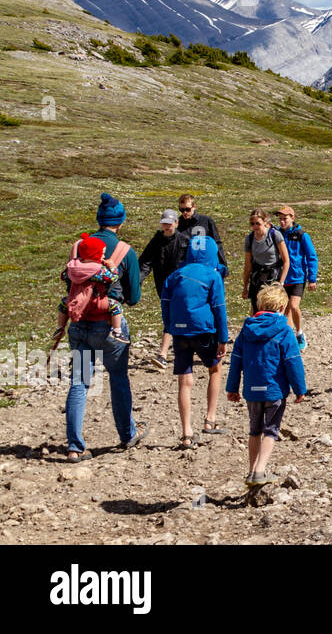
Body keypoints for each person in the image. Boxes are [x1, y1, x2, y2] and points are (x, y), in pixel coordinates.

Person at [57, 192, 147, 461]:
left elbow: (70, 282)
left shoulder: (78, 246)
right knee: (118, 378)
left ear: (99, 220)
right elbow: (133, 297)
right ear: (120, 222)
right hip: (108, 325)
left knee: (80, 382)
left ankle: (75, 446)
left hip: (79, 324)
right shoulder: (124, 251)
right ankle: (127, 434)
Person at [225, 283, 306, 487]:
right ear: (282, 308)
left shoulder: (246, 330)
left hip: (252, 391)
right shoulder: (285, 331)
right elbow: (292, 361)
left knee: (254, 430)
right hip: (274, 391)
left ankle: (252, 470)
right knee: (270, 431)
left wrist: (232, 388)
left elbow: (236, 360)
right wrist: (300, 389)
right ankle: (260, 471)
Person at [161, 234, 229, 448]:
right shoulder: (212, 274)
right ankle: (210, 419)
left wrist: (170, 326)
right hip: (203, 329)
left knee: (185, 381)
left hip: (179, 332)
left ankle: (186, 433)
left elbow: (165, 303)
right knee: (215, 369)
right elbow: (219, 308)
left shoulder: (175, 275)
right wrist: (223, 338)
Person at [140, 208, 189, 367]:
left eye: (170, 223)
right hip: (162, 287)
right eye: (164, 224)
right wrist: (138, 281)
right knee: (176, 318)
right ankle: (186, 348)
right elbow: (145, 262)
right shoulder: (156, 241)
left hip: (181, 287)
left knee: (173, 317)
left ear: (176, 223)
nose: (167, 227)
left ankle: (163, 354)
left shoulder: (184, 241)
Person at [275, 205, 318, 352]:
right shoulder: (276, 234)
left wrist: (312, 279)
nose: (282, 222)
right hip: (282, 278)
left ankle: (300, 334)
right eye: (280, 219)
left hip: (298, 277)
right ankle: (288, 339)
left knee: (293, 306)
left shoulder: (301, 235)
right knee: (284, 311)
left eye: (285, 219)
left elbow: (312, 257)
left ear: (292, 218)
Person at [243, 209, 289, 313]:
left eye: (258, 223)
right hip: (257, 279)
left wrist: (280, 283)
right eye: (252, 224)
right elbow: (247, 265)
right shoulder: (249, 239)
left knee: (274, 309)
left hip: (274, 278)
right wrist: (245, 286)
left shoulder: (275, 235)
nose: (255, 226)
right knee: (256, 309)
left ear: (265, 222)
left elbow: (286, 261)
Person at [177, 194, 228, 276]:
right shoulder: (177, 224)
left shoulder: (206, 221)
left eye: (187, 209)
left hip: (205, 266)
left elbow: (217, 243)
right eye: (182, 210)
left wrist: (223, 265)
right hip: (185, 268)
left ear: (194, 206)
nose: (185, 213)